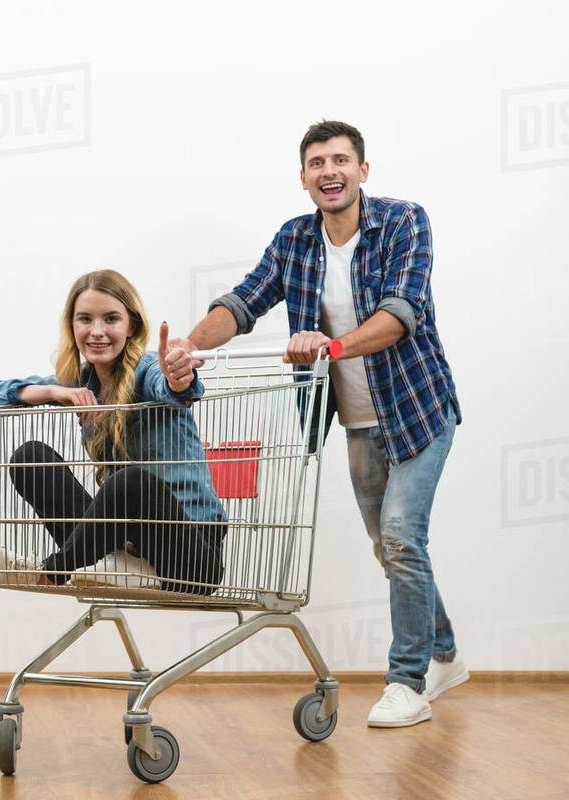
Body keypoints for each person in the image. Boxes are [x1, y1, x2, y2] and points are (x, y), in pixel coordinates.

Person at [162, 120, 467, 727]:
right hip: (357, 423)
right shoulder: (296, 239)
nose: (330, 171)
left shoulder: (403, 222)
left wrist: (330, 347)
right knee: (390, 547)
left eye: (341, 160)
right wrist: (189, 348)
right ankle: (446, 654)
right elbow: (243, 303)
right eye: (317, 163)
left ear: (362, 170)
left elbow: (400, 313)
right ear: (303, 178)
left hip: (418, 410)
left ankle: (407, 682)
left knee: (401, 536)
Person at [0, 269, 227, 593]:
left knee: (129, 481)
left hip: (189, 556)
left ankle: (50, 572)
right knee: (30, 458)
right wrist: (54, 391)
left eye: (111, 319)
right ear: (72, 326)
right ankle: (118, 565)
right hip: (125, 545)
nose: (97, 331)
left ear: (131, 326)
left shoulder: (148, 368)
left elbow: (174, 389)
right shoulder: (83, 382)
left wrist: (178, 379)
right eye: (85, 319)